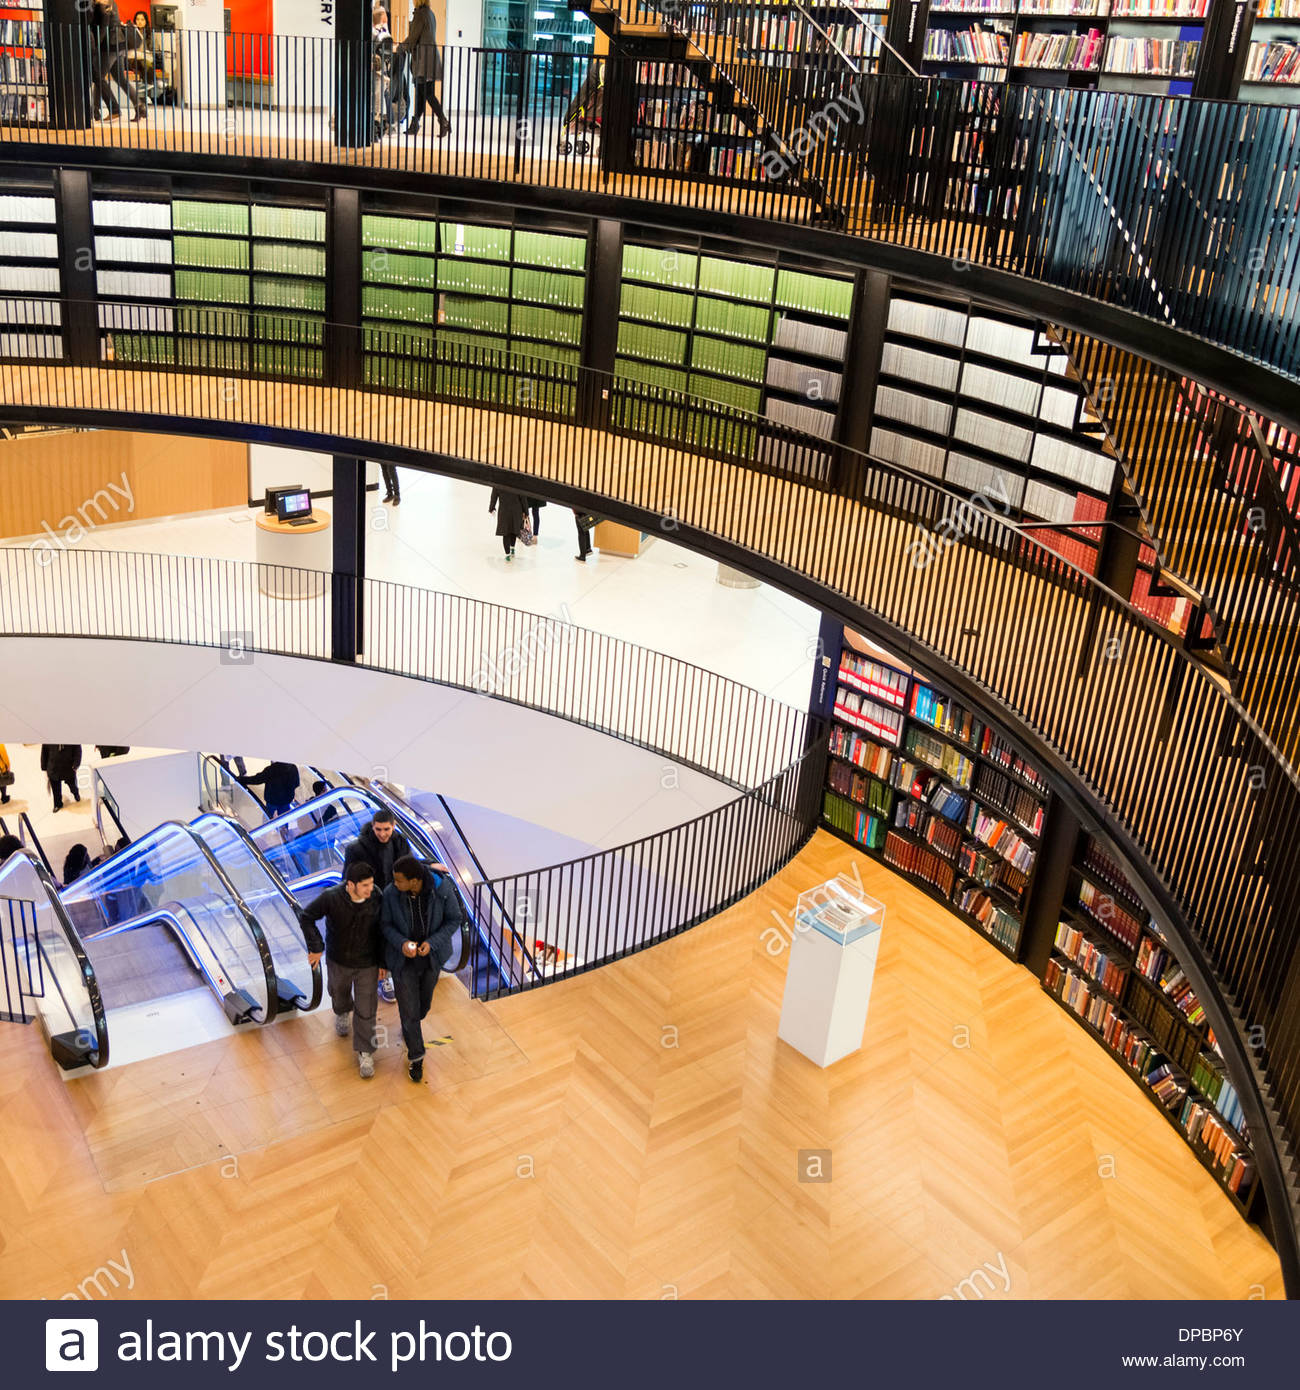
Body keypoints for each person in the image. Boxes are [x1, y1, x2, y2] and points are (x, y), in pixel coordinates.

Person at [379, 855, 462, 1082]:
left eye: (399, 880)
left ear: (414, 881)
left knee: (422, 1007)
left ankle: (410, 1028)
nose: (395, 884)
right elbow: (385, 925)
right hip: (402, 962)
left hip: (431, 960)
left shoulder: (441, 889)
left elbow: (454, 919)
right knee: (409, 1011)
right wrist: (402, 943)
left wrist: (432, 943)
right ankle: (417, 1057)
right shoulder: (391, 894)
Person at [298, 862, 383, 1079]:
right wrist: (316, 948)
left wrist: (384, 963)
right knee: (338, 992)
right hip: (339, 960)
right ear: (350, 885)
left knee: (367, 1008)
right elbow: (306, 917)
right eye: (365, 886)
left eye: (371, 884)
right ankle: (342, 1010)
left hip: (368, 962)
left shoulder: (377, 897)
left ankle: (365, 1052)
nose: (370, 889)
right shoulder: (331, 897)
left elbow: (384, 929)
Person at [401, 0, 450, 139]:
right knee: (422, 95)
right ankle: (415, 125)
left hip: (423, 61)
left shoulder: (420, 15)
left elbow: (413, 38)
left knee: (427, 94)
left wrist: (399, 48)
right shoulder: (430, 14)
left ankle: (443, 121)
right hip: (430, 59)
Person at [91, 0, 145, 122]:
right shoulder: (111, 2)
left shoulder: (103, 3)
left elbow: (104, 28)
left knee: (99, 77)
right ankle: (140, 106)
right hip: (120, 45)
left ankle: (99, 110)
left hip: (110, 47)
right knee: (120, 79)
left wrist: (95, 45)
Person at [343, 809, 411, 892]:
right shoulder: (355, 849)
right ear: (373, 826)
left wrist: (429, 863)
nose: (382, 834)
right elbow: (348, 881)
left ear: (393, 826)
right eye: (378, 829)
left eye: (386, 829)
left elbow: (410, 865)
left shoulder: (401, 843)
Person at [489, 488, 527, 562]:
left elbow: (494, 495)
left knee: (505, 532)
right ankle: (512, 549)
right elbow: (523, 497)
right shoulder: (517, 480)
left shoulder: (498, 481)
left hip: (504, 510)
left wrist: (491, 507)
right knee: (514, 530)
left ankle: (507, 555)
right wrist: (526, 511)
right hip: (516, 510)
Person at [40, 744, 82, 812]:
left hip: (68, 767)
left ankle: (76, 793)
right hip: (53, 767)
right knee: (55, 789)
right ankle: (57, 804)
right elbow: (44, 752)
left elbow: (77, 750)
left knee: (72, 785)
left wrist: (76, 764)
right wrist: (44, 767)